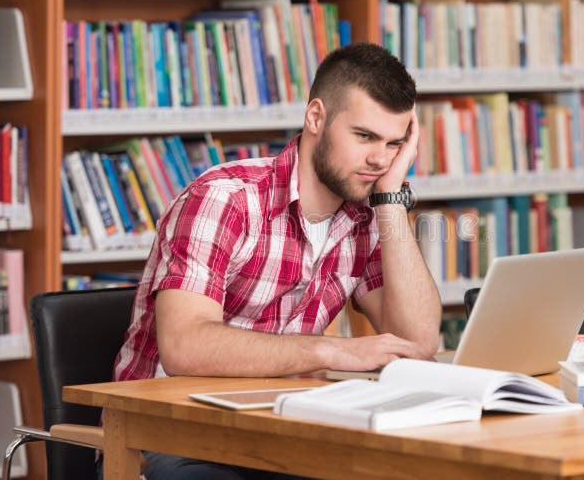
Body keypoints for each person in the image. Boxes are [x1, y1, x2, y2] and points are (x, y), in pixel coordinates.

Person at [108, 42, 442, 479]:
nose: (379, 159)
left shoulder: (366, 214)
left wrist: (392, 201)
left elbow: (417, 342)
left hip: (283, 430)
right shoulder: (225, 199)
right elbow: (184, 347)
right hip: (170, 435)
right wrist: (332, 350)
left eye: (394, 143)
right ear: (316, 118)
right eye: (364, 137)